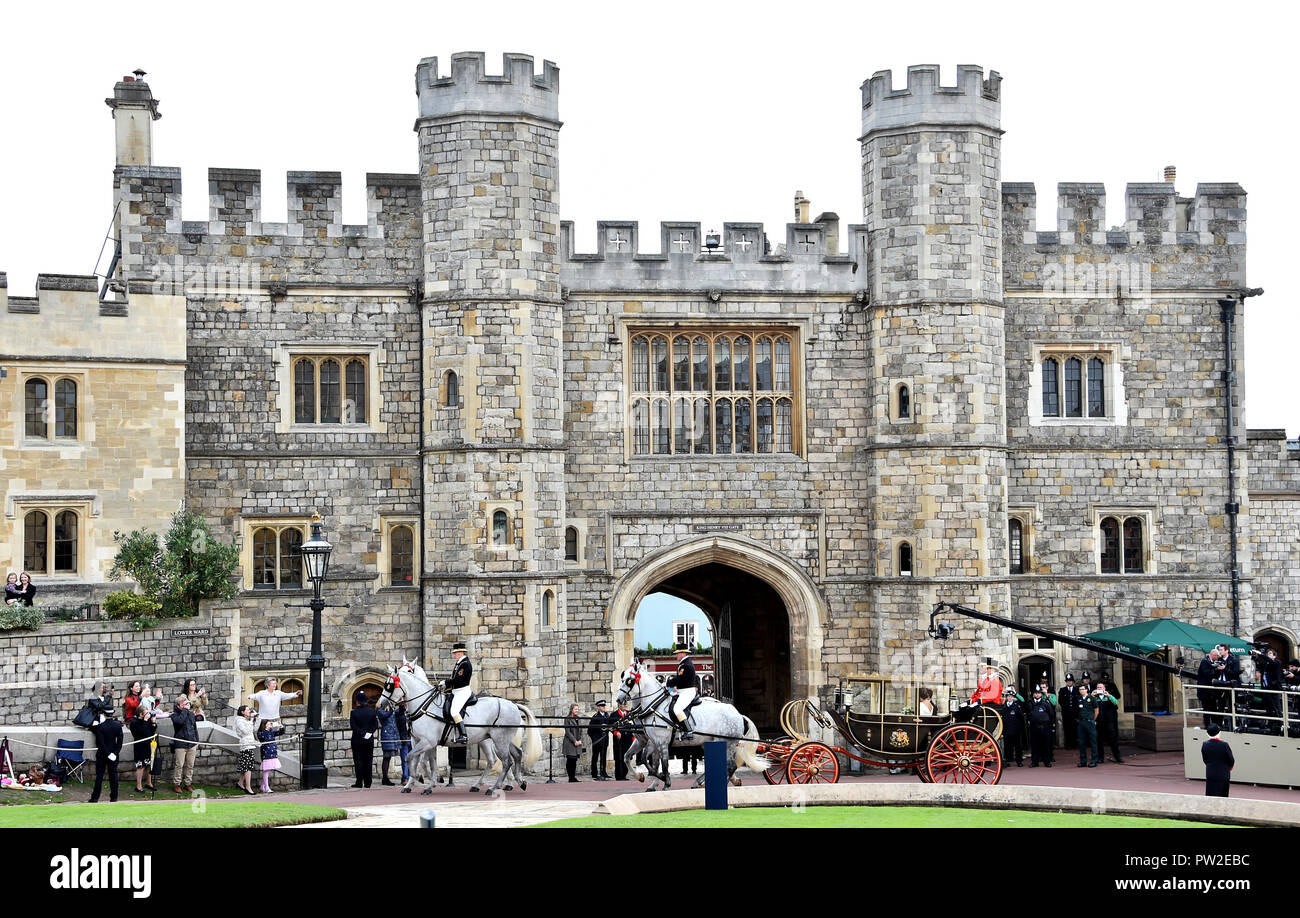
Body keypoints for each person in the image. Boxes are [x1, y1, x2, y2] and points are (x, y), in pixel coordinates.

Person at [126, 681, 157, 792]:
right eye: (145, 713)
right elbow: (140, 732)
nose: (147, 715)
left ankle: (149, 783)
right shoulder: (134, 722)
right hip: (140, 745)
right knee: (140, 766)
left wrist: (153, 723)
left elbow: (151, 731)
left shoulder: (147, 720)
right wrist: (145, 721)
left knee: (149, 764)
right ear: (140, 714)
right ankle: (138, 785)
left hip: (148, 744)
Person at [440, 641, 473, 745]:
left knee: (454, 711)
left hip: (462, 691)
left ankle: (464, 735)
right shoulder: (459, 663)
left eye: (455, 653)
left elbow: (458, 680)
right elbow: (454, 679)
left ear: (460, 653)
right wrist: (446, 687)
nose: (454, 655)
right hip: (456, 691)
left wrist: (446, 682)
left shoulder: (465, 664)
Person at [88, 707, 123, 803]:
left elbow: (101, 742)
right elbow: (119, 743)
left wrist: (108, 753)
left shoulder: (101, 726)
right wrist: (114, 753)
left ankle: (95, 798)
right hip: (112, 753)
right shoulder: (117, 726)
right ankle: (114, 797)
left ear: (104, 714)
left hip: (103, 754)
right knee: (113, 775)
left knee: (100, 776)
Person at [666, 644, 698, 738]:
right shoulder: (684, 663)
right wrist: (668, 687)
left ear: (683, 653)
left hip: (687, 692)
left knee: (677, 708)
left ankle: (688, 730)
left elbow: (680, 679)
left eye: (677, 654)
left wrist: (669, 683)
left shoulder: (686, 665)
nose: (676, 656)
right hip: (681, 690)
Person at [170, 694, 200, 794]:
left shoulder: (191, 714)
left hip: (191, 743)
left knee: (190, 765)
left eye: (187, 703)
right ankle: (177, 784)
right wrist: (185, 711)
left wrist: (196, 741)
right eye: (184, 704)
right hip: (180, 743)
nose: (187, 705)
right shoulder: (175, 715)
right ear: (179, 706)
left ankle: (188, 783)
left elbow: (194, 727)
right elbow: (179, 722)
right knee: (179, 765)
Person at [349, 690, 378, 788]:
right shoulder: (372, 711)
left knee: (358, 761)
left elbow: (353, 726)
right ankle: (368, 782)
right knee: (368, 761)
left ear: (358, 702)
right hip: (369, 740)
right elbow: (375, 725)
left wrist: (362, 733)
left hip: (357, 740)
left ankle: (359, 782)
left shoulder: (354, 712)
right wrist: (369, 733)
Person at [1200, 723, 1234, 797]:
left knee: (1210, 793)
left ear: (1207, 734)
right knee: (1222, 794)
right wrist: (1229, 767)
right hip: (1223, 773)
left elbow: (1205, 759)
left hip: (1210, 772)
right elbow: (1231, 759)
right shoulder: (1224, 745)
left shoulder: (1204, 744)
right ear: (1219, 733)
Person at [1094, 681, 1123, 762]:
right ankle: (1100, 758)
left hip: (1109, 722)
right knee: (1099, 740)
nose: (1099, 689)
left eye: (1101, 687)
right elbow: (1089, 704)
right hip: (1099, 722)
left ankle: (1117, 757)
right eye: (1098, 687)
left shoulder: (1109, 697)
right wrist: (1092, 695)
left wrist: (1109, 695)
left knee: (1113, 740)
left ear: (1104, 688)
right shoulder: (1095, 698)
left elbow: (1116, 702)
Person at [377, 702, 403, 786]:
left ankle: (385, 778)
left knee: (388, 758)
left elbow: (401, 712)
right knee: (386, 757)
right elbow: (386, 715)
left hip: (393, 737)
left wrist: (401, 705)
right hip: (387, 737)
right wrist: (392, 709)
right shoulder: (380, 711)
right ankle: (385, 778)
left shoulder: (392, 712)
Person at [233, 705, 258, 795]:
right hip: (245, 745)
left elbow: (254, 729)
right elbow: (246, 731)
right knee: (248, 767)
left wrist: (256, 718)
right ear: (242, 712)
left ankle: (240, 783)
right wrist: (251, 720)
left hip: (250, 744)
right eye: (247, 710)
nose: (249, 711)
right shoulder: (239, 721)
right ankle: (248, 787)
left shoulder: (245, 720)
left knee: (246, 766)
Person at [257, 717, 286, 793]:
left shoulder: (271, 732)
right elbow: (262, 738)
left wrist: (281, 726)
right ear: (264, 725)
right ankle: (266, 788)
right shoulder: (261, 733)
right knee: (266, 770)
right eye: (269, 723)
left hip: (272, 752)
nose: (271, 724)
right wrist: (266, 729)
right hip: (266, 753)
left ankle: (263, 786)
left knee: (268, 769)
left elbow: (281, 732)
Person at [1027, 687, 1054, 767]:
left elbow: (1051, 713)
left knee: (1046, 744)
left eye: (1038, 693)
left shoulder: (1045, 703)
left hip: (1044, 726)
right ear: (1033, 694)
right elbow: (1028, 713)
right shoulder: (1030, 703)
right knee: (1034, 744)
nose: (1037, 694)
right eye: (1035, 693)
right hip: (1034, 726)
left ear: (1041, 694)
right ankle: (1034, 762)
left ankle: (1047, 761)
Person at [1076, 682, 1101, 767]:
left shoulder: (1091, 698)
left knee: (1093, 741)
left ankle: (1094, 760)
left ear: (1086, 689)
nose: (1081, 691)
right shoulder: (1078, 698)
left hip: (1090, 721)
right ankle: (1083, 761)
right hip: (1081, 722)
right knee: (1081, 742)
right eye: (1080, 689)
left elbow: (1096, 710)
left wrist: (1093, 719)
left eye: (1082, 689)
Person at [1000, 687, 1025, 767]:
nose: (1010, 698)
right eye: (1008, 696)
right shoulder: (1004, 706)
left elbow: (1021, 717)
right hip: (1007, 729)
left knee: (1018, 746)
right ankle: (1007, 760)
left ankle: (1019, 761)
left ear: (1013, 698)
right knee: (1007, 746)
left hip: (1015, 729)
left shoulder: (1016, 706)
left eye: (1011, 696)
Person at [587, 700, 611, 781]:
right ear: (598, 707)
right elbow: (590, 730)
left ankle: (603, 772)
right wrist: (595, 739)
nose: (603, 707)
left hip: (605, 739)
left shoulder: (607, 715)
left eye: (604, 706)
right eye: (602, 706)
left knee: (603, 756)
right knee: (595, 757)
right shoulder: (595, 717)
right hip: (597, 740)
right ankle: (594, 773)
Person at [612, 700, 635, 780]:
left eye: (626, 704)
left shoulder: (629, 714)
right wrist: (616, 732)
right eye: (623, 704)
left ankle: (624, 775)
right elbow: (612, 726)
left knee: (627, 757)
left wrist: (634, 736)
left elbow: (633, 725)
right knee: (619, 758)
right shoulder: (614, 714)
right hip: (619, 740)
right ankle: (619, 776)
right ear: (619, 705)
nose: (625, 705)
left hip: (628, 739)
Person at [562, 703, 583, 783]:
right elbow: (568, 732)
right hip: (570, 742)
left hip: (577, 742)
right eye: (575, 709)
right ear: (571, 710)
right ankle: (570, 777)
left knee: (574, 760)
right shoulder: (567, 719)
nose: (577, 711)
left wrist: (579, 740)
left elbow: (580, 731)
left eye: (578, 709)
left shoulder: (578, 718)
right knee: (570, 759)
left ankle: (573, 777)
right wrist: (574, 741)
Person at [1058, 673, 1079, 749]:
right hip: (1066, 713)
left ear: (1073, 682)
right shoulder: (1062, 690)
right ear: (1066, 682)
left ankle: (1074, 744)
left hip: (1075, 714)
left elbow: (1078, 701)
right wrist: (1066, 709)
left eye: (1070, 681)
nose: (1069, 682)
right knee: (1067, 729)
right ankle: (1068, 744)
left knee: (1075, 729)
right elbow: (1060, 701)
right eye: (1068, 681)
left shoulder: (1077, 690)